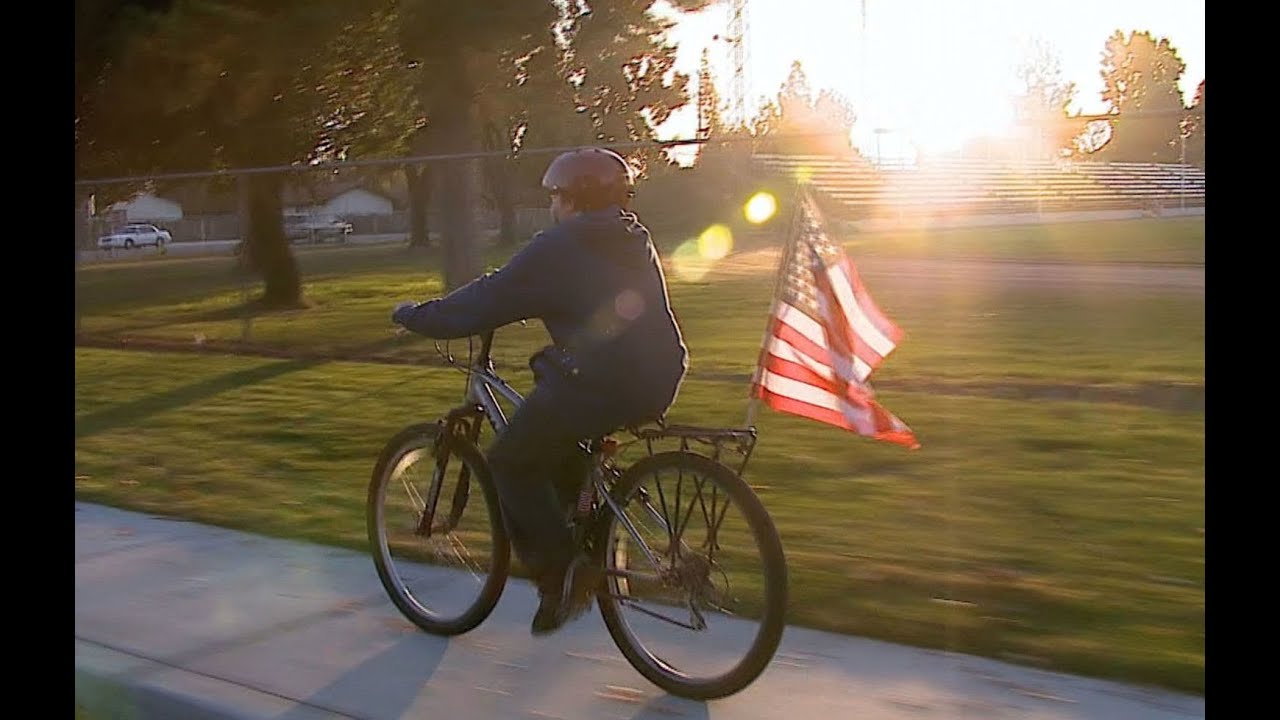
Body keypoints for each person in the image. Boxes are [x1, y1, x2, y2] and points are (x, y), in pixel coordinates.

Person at [391, 147, 689, 635]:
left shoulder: (560, 245)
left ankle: (563, 575)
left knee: (510, 461)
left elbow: (490, 296)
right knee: (554, 428)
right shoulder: (633, 237)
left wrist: (415, 315)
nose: (552, 205)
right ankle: (582, 517)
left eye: (555, 196)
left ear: (574, 198)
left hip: (602, 382)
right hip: (659, 376)